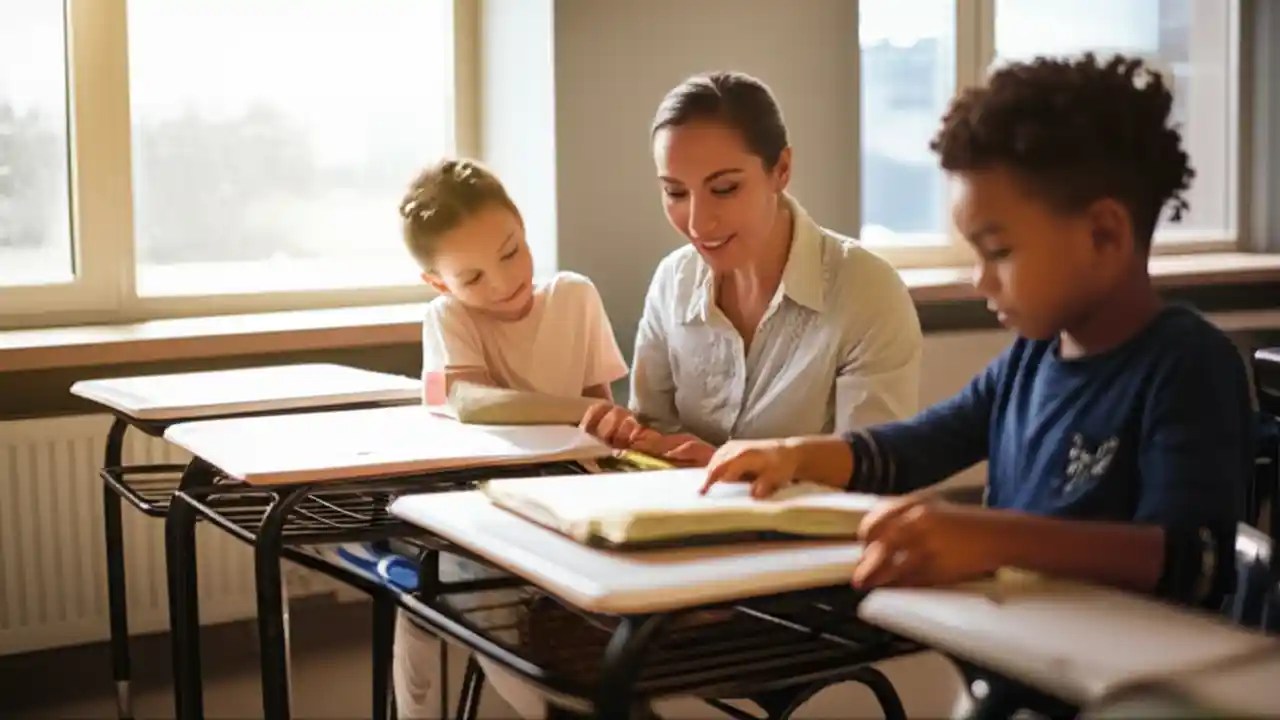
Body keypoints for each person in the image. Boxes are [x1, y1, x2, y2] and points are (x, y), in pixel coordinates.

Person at [704, 54, 1252, 718]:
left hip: (1136, 697)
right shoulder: (1028, 360)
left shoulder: (1188, 365)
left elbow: (1194, 562)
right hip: (1020, 672)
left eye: (999, 251)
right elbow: (914, 447)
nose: (979, 281)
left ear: (1104, 232)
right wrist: (796, 456)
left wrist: (990, 536)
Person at [582, 71, 922, 464]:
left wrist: (722, 466)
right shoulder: (672, 282)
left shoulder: (867, 291)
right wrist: (622, 433)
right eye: (675, 192)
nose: (697, 222)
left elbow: (870, 477)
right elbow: (651, 435)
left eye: (724, 189)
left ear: (782, 170)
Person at [393, 157, 629, 718]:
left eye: (511, 251)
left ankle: (595, 698)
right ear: (439, 282)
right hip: (481, 508)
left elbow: (605, 425)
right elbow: (472, 402)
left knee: (589, 608)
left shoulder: (573, 296)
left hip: (573, 503)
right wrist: (581, 411)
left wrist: (598, 423)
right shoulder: (448, 317)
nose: (504, 282)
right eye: (472, 277)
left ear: (523, 227)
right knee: (447, 589)